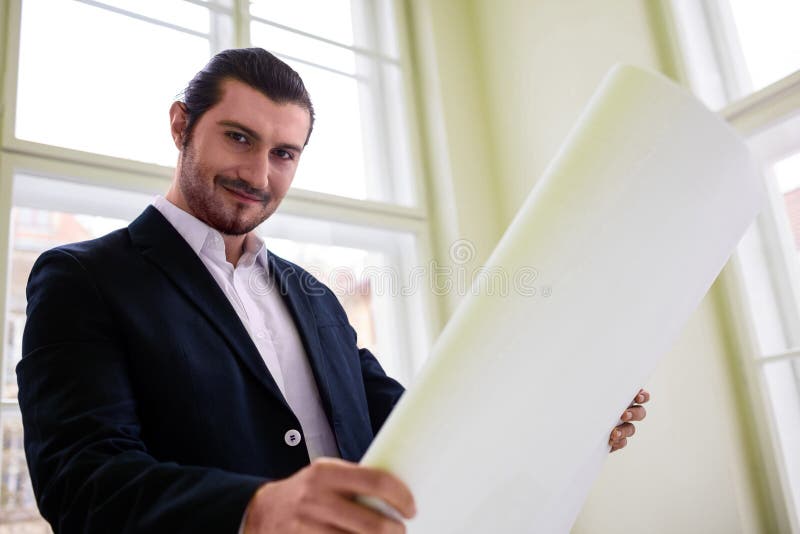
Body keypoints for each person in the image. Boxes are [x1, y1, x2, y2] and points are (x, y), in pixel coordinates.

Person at [17, 48, 649, 534]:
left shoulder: (312, 295)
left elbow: (416, 425)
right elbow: (81, 480)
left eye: (284, 153)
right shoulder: (85, 278)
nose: (258, 175)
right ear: (182, 124)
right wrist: (258, 507)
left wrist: (569, 418)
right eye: (239, 137)